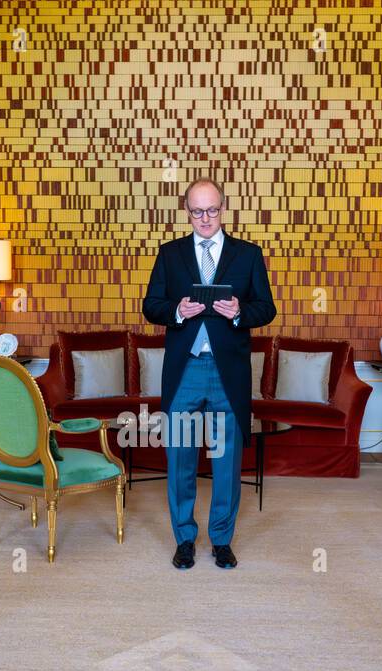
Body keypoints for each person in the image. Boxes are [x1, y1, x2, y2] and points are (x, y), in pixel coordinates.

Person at [141, 178, 277, 569]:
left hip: (227, 372)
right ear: (186, 210)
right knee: (180, 459)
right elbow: (151, 304)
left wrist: (240, 315)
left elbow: (266, 308)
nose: (205, 218)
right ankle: (184, 539)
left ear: (224, 208)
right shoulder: (170, 254)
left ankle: (221, 540)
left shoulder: (248, 254)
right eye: (198, 211)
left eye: (212, 210)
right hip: (185, 372)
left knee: (225, 461)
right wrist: (176, 312)